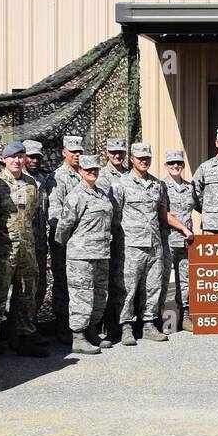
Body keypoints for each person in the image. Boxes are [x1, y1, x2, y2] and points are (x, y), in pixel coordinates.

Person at [117, 143, 194, 345]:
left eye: (147, 157)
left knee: (152, 288)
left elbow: (162, 213)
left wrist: (183, 228)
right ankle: (126, 326)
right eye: (140, 157)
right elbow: (115, 215)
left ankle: (149, 324)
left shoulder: (157, 185)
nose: (144, 161)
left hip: (155, 244)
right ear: (132, 159)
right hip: (131, 245)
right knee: (129, 288)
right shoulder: (122, 184)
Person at [0, 142, 49, 358]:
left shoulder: (32, 184)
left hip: (27, 249)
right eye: (13, 157)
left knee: (26, 295)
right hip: (4, 250)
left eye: (21, 157)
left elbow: (32, 217)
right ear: (4, 159)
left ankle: (22, 338)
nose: (17, 161)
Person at [55, 154, 120, 354]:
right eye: (88, 169)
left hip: (101, 253)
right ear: (81, 171)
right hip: (81, 256)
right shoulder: (76, 196)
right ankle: (78, 337)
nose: (92, 172)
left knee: (99, 295)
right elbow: (63, 227)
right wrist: (73, 247)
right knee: (81, 296)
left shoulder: (102, 194)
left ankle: (91, 331)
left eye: (95, 169)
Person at [45, 135, 85, 344]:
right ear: (64, 152)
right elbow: (55, 215)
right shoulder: (57, 177)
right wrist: (72, 235)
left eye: (80, 151)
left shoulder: (85, 174)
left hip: (85, 243)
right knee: (64, 283)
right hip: (65, 242)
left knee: (82, 284)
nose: (77, 155)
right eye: (73, 151)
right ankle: (63, 326)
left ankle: (83, 326)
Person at [160, 149, 196, 332]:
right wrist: (182, 228)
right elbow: (163, 213)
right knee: (164, 280)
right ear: (166, 166)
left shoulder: (190, 187)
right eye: (172, 163)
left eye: (179, 163)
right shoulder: (161, 186)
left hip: (186, 242)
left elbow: (200, 206)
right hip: (168, 241)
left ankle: (185, 316)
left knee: (186, 280)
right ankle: (164, 320)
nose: (176, 166)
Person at [101, 137, 130, 340]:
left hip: (126, 237)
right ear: (107, 153)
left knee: (122, 280)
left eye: (120, 152)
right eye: (113, 152)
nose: (117, 156)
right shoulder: (101, 175)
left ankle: (123, 322)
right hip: (107, 236)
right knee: (106, 281)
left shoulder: (130, 174)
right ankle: (108, 325)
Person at [22, 139, 51, 322]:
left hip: (40, 241)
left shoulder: (43, 179)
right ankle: (18, 329)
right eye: (31, 156)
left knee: (39, 285)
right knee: (23, 287)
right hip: (23, 243)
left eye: (37, 157)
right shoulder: (17, 178)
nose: (34, 161)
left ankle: (31, 324)